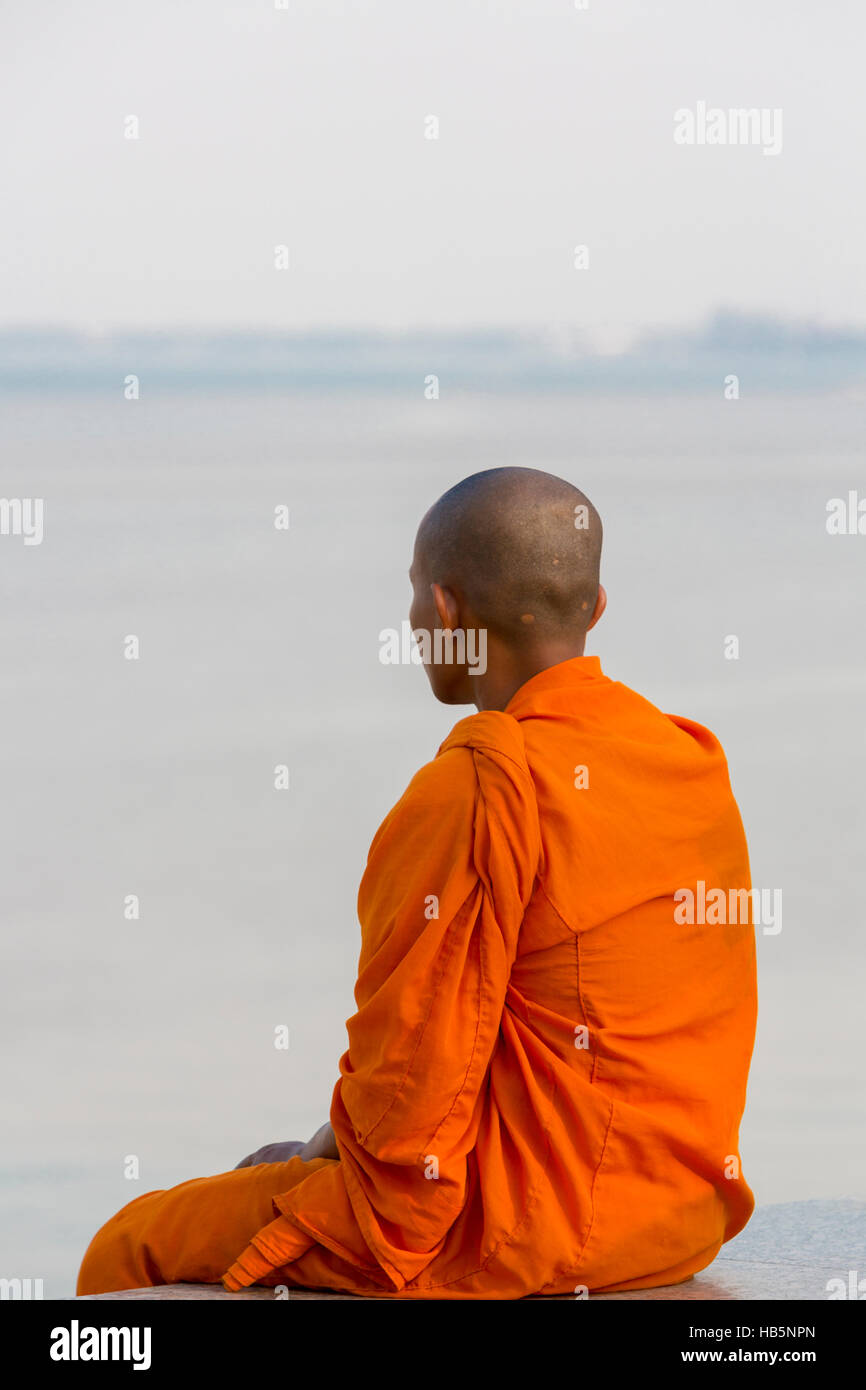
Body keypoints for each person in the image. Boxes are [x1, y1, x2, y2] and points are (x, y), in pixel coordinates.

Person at [77, 466, 757, 1300]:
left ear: (447, 612)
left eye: (412, 598)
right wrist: (319, 1146)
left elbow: (409, 1098)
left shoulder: (477, 784)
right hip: (674, 1223)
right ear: (597, 608)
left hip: (518, 1237)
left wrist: (315, 1165)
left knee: (131, 1244)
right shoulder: (689, 757)